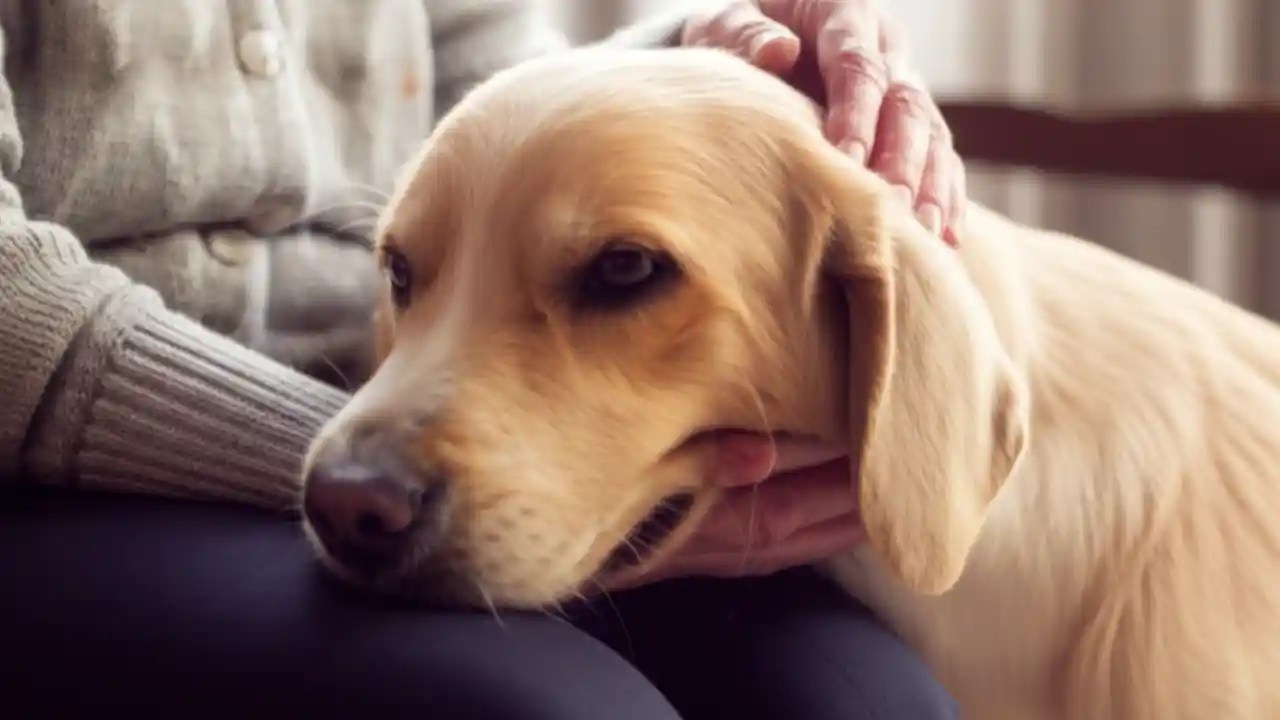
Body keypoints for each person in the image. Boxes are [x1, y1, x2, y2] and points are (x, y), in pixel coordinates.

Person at [0, 1, 965, 717]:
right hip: (68, 485)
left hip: (382, 409)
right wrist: (358, 459)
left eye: (623, 270)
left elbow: (499, 90)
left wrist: (711, 60)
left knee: (869, 707)